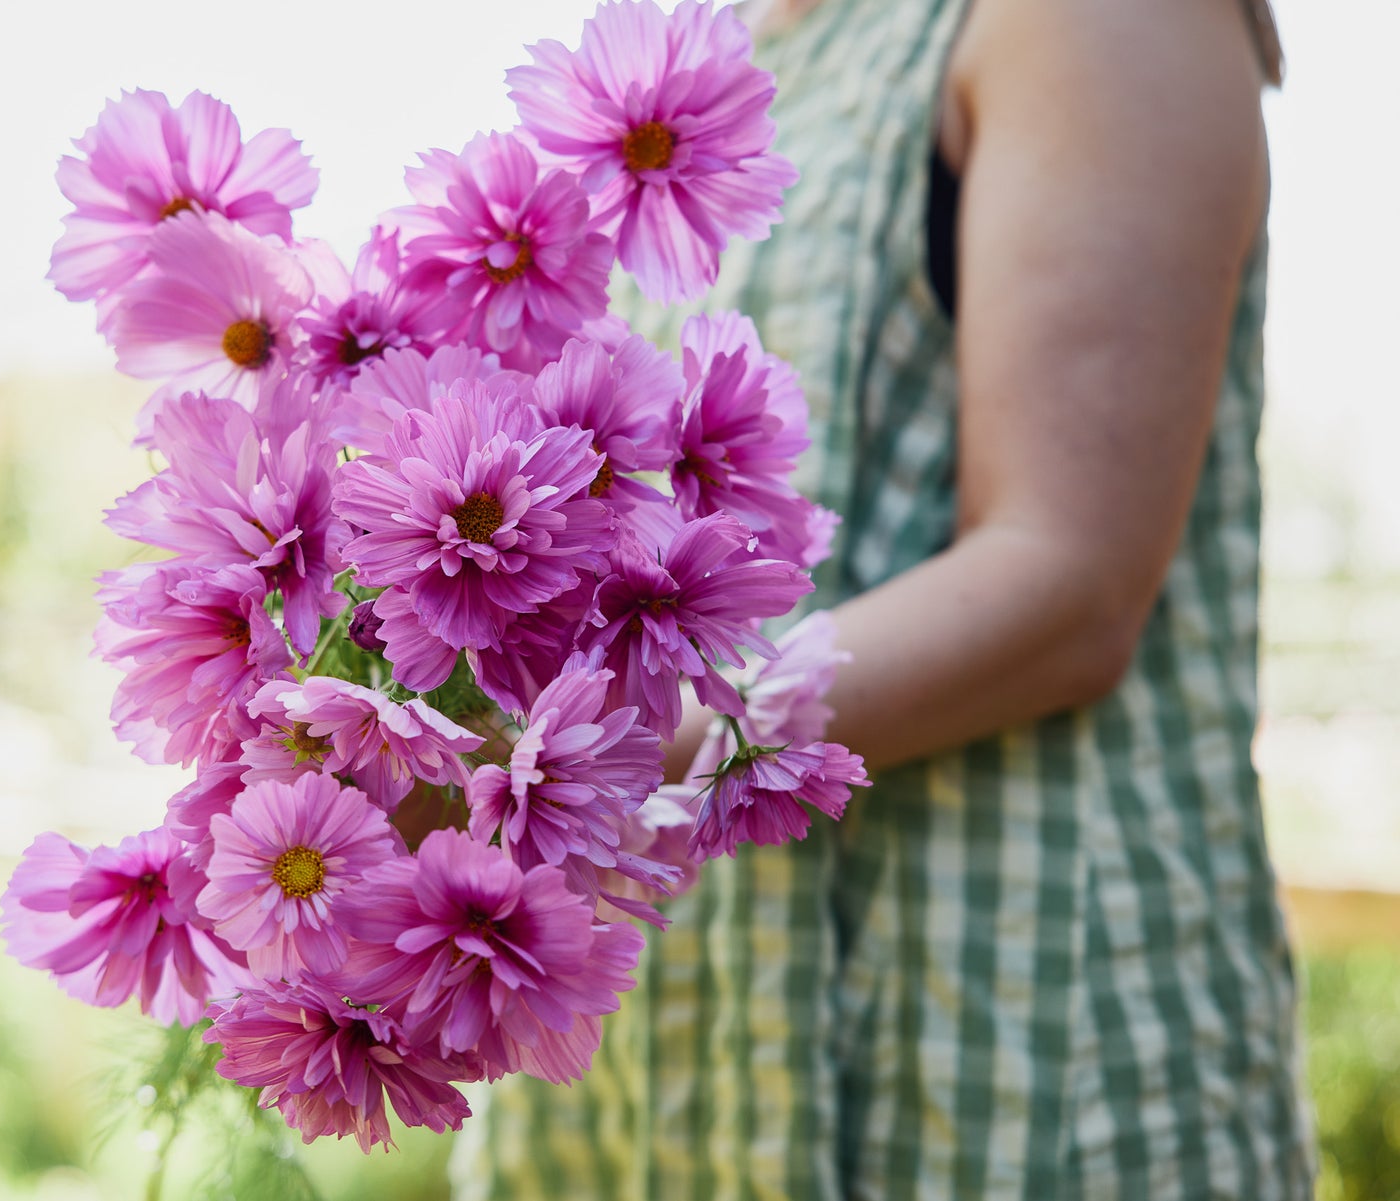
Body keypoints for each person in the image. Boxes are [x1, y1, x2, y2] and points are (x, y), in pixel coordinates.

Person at [451, 0, 1313, 1196]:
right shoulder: (714, 49)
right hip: (652, 1098)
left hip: (1010, 1054)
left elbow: (1067, 585)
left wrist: (558, 773)